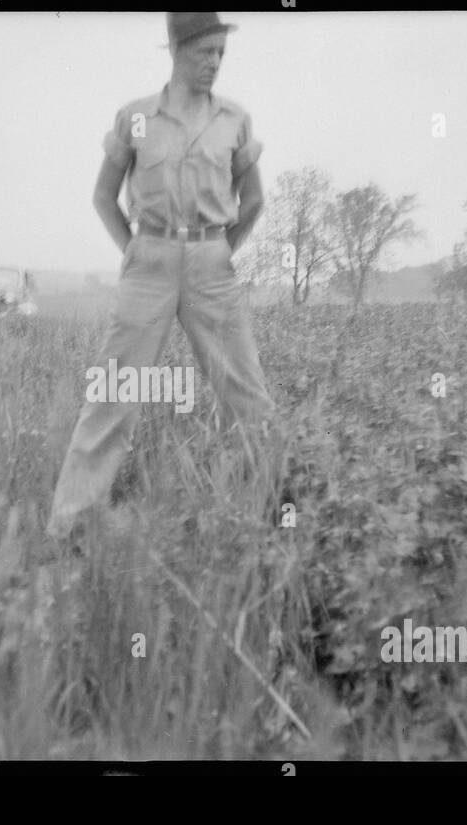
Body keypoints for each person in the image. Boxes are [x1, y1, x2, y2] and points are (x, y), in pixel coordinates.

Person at [46, 12, 275, 540]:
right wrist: (134, 252)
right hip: (148, 264)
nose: (214, 63)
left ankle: (268, 516)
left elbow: (254, 198)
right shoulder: (136, 118)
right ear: (175, 49)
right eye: (204, 53)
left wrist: (220, 251)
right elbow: (104, 197)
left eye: (221, 53)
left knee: (247, 391)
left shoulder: (234, 119)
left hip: (211, 267)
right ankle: (70, 528)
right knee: (113, 395)